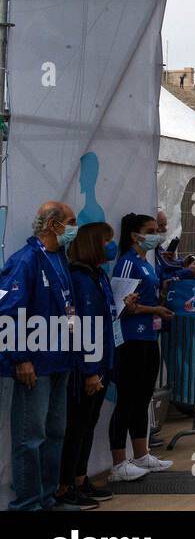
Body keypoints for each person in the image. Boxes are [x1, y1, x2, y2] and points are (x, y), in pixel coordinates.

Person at [1, 201, 79, 510]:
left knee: (55, 433)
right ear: (52, 225)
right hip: (35, 364)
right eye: (70, 222)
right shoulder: (25, 261)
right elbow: (8, 313)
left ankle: (47, 498)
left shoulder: (60, 258)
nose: (74, 228)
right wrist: (21, 358)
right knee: (30, 437)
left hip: (61, 360)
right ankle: (28, 504)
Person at [57, 222, 130, 509]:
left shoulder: (97, 275)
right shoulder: (81, 278)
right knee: (77, 426)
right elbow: (83, 326)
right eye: (107, 240)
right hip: (87, 367)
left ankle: (79, 477)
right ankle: (65, 486)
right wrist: (89, 371)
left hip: (102, 362)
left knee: (88, 424)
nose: (112, 246)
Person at [109, 213, 175, 482]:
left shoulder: (147, 263)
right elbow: (120, 306)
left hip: (149, 336)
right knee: (127, 399)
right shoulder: (127, 263)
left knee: (143, 397)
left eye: (158, 230)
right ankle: (118, 462)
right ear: (135, 235)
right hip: (131, 338)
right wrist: (153, 309)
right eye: (151, 230)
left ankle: (141, 454)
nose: (157, 235)